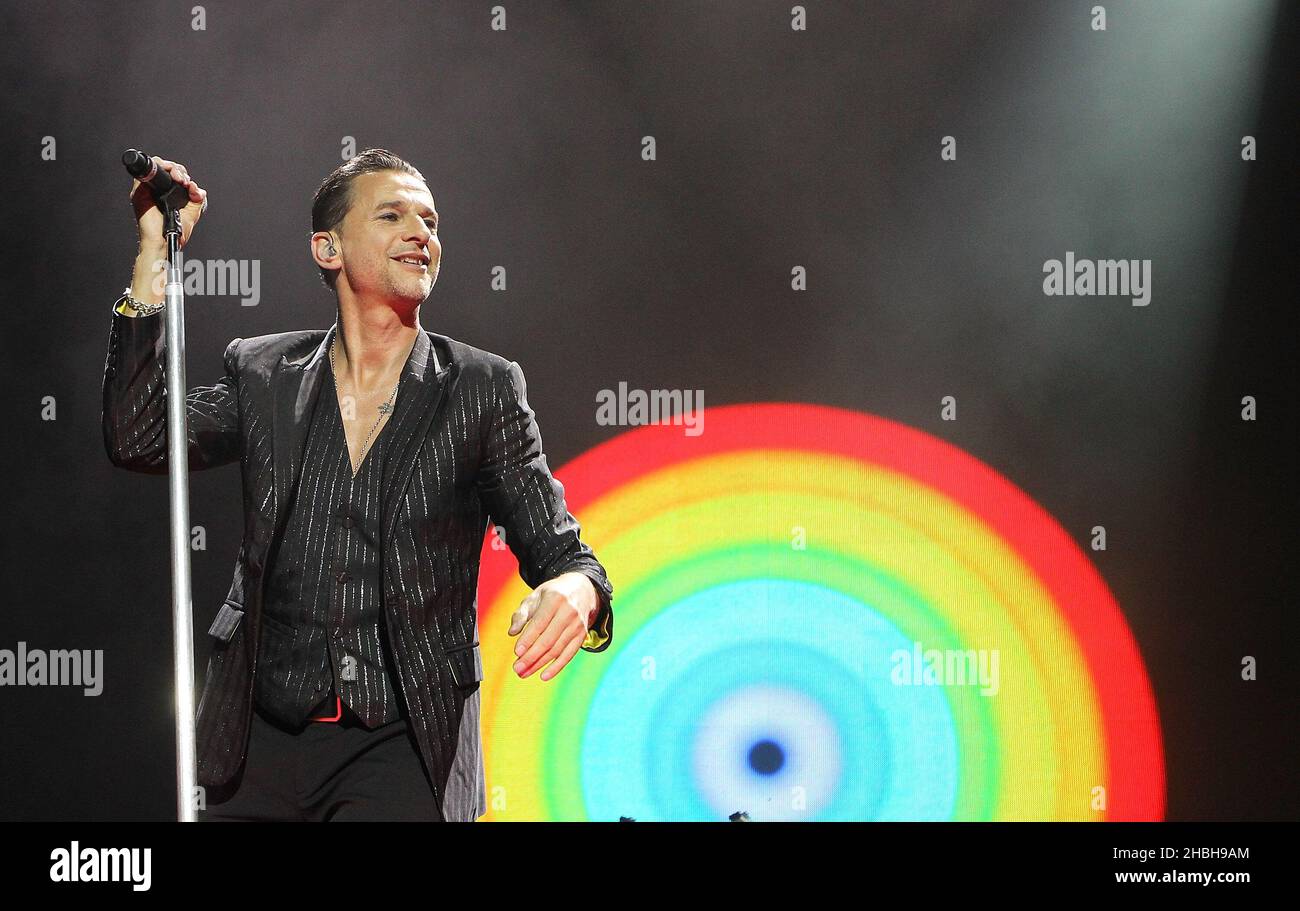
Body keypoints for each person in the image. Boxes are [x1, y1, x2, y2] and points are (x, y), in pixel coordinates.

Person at [102, 149, 614, 821]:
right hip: (260, 739)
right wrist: (152, 255)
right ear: (328, 248)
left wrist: (577, 591)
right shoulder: (264, 375)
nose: (420, 233)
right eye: (393, 214)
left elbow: (567, 557)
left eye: (429, 221)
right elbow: (139, 436)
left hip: (400, 746)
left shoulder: (482, 388)